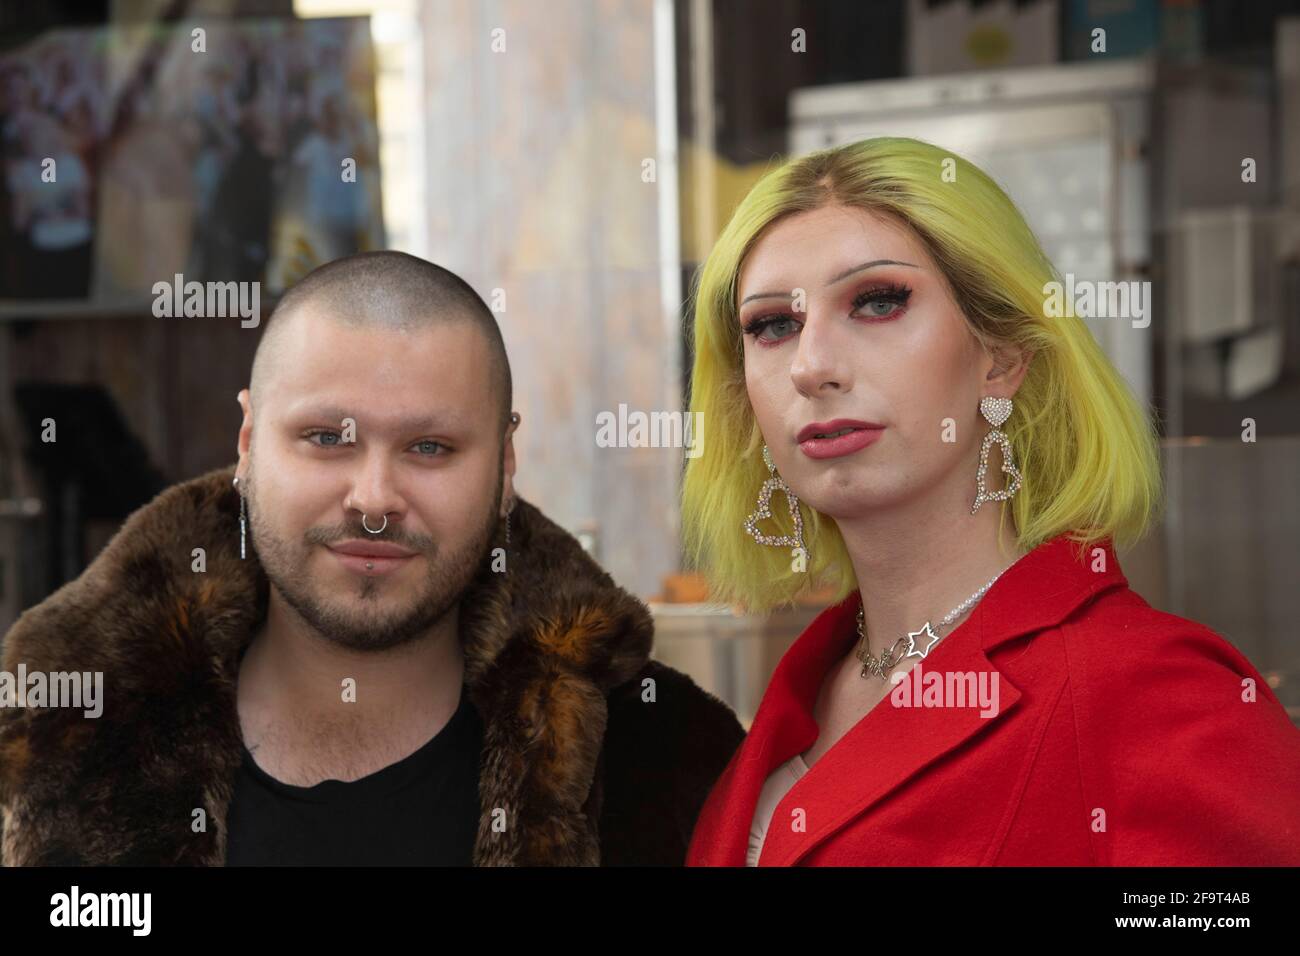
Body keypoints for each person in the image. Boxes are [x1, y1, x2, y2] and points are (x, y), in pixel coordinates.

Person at [0, 251, 744, 866]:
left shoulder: (665, 758)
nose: (374, 498)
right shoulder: (56, 735)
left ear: (506, 464)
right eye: (327, 438)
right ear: (249, 444)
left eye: (429, 448)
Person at [681, 136, 1300, 867]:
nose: (812, 365)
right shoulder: (790, 698)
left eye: (877, 302)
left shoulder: (1159, 697)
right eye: (773, 325)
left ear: (1001, 358)